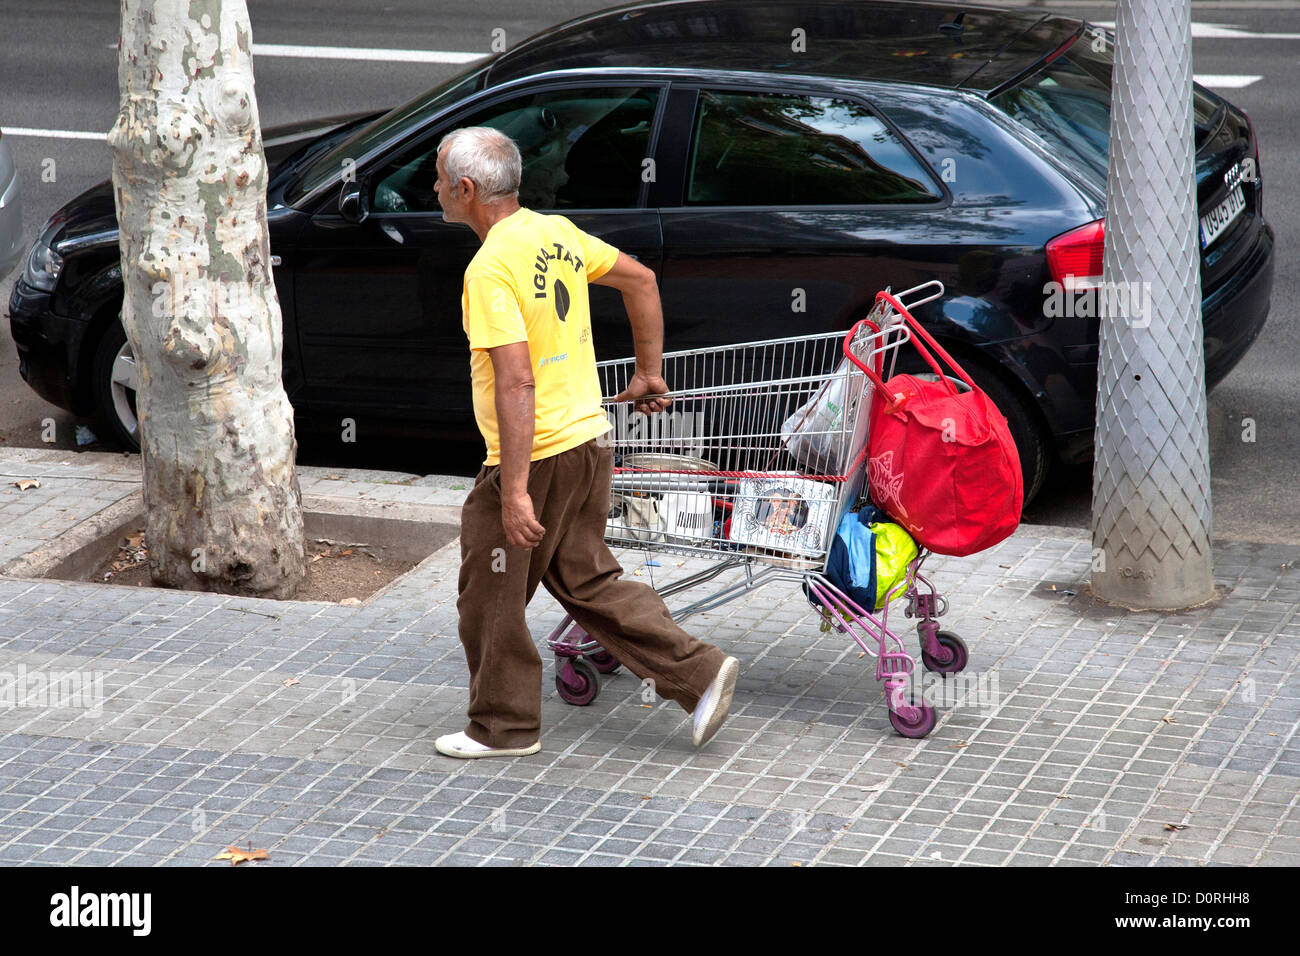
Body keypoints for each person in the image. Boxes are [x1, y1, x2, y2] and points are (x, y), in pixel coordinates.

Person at [431, 126, 739, 759]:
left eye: (439, 179)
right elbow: (643, 280)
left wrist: (513, 491)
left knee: (488, 593)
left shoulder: (489, 268)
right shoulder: (558, 232)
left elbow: (516, 382)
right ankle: (700, 672)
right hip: (589, 443)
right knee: (590, 582)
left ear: (464, 190)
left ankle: (503, 728)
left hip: (535, 454)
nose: (433, 188)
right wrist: (649, 371)